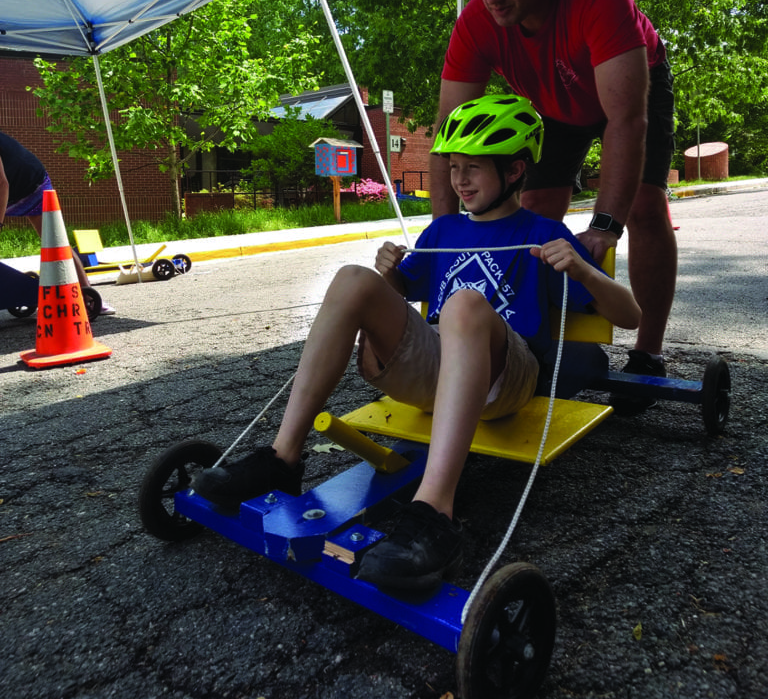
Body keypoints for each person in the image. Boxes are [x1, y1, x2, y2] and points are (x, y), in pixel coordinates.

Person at [192, 97, 640, 596]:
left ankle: (434, 510)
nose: (459, 180)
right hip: (435, 373)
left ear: (515, 170)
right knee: (351, 278)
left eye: (473, 168)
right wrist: (384, 276)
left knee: (465, 306)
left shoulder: (542, 234)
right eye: (453, 168)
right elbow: (396, 298)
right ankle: (283, 458)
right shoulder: (443, 231)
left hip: (507, 379)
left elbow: (629, 316)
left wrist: (579, 267)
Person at [432, 0, 676, 402]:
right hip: (555, 101)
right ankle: (533, 340)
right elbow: (446, 133)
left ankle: (647, 352)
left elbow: (625, 119)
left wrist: (606, 224)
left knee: (645, 207)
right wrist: (445, 232)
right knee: (533, 210)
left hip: (629, 85)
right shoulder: (477, 21)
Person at [0, 130, 115, 314]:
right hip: (13, 186)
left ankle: (87, 294)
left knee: (55, 241)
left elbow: (1, 183)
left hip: (32, 185)